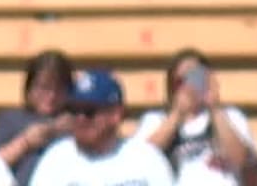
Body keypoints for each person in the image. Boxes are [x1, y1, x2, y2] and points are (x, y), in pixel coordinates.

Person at [28, 69, 174, 186]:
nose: (80, 118)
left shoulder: (145, 158)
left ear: (116, 114)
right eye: (74, 110)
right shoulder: (56, 160)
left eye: (89, 112)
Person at [135, 48, 256, 186]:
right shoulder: (156, 120)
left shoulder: (231, 116)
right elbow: (142, 159)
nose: (189, 85)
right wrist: (177, 114)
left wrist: (215, 109)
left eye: (195, 77)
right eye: (181, 81)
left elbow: (241, 160)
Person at [0, 50, 74, 186]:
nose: (51, 96)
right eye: (44, 87)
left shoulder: (82, 121)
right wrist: (26, 142)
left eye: (58, 89)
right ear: (29, 88)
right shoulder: (10, 120)